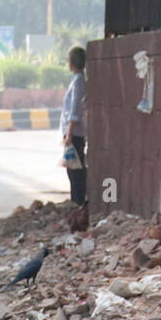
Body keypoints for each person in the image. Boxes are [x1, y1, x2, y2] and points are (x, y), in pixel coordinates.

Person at [61, 46, 87, 207]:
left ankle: (78, 202)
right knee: (73, 167)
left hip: (75, 132)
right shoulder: (77, 80)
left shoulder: (78, 81)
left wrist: (69, 133)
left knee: (75, 170)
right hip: (73, 131)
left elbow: (75, 109)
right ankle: (76, 201)